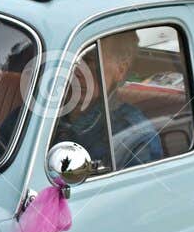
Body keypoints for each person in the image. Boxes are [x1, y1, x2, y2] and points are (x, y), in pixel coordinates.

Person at [52, 32, 162, 168]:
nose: (74, 70)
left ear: (120, 70)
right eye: (68, 59)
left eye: (89, 60)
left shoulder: (135, 138)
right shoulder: (40, 112)